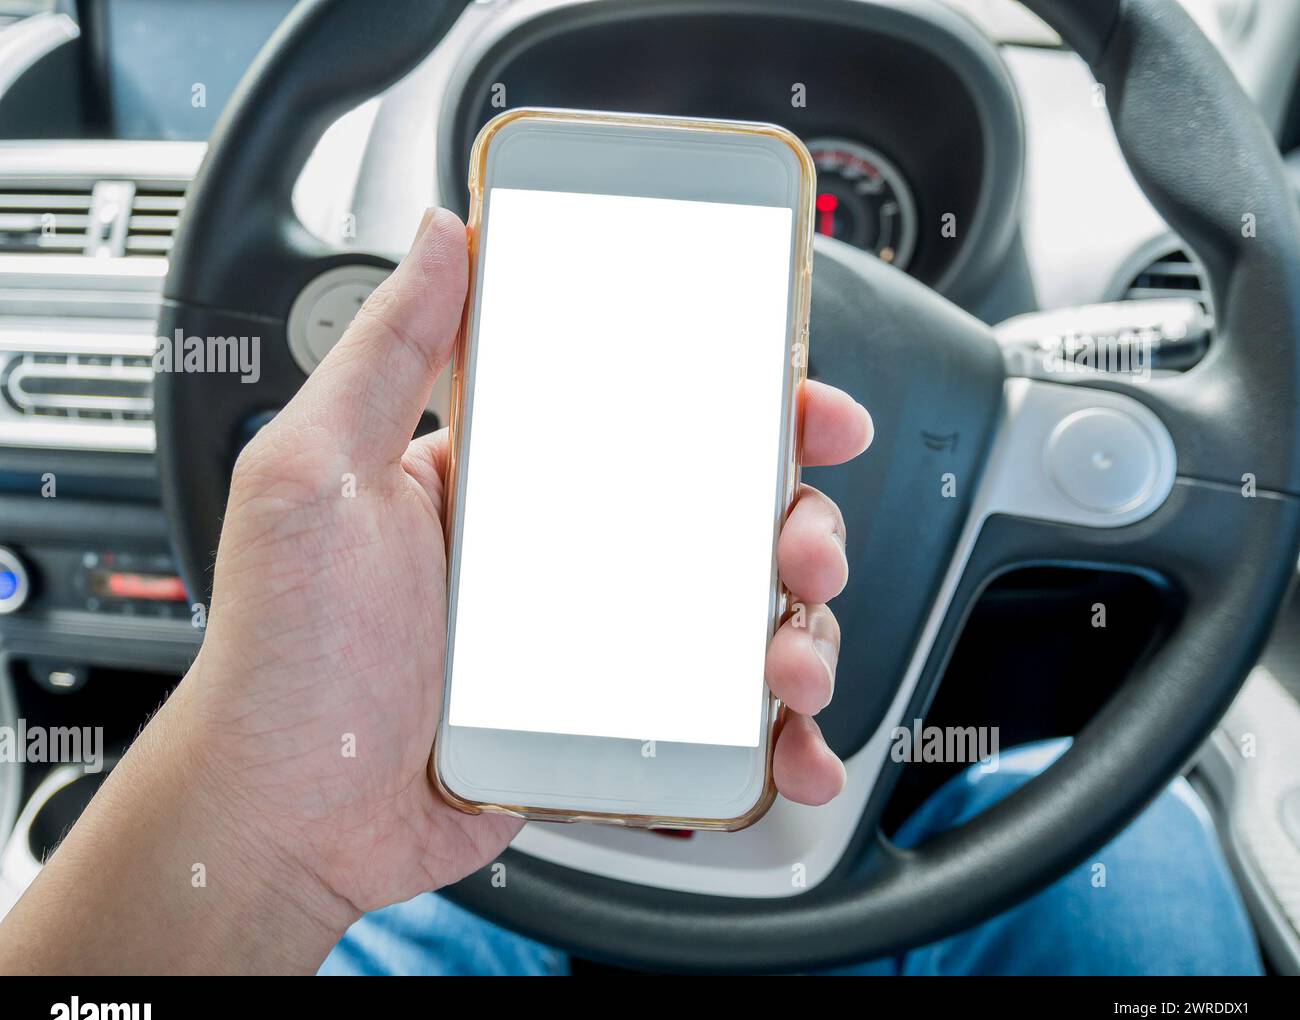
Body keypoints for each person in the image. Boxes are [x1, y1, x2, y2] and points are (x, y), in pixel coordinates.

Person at [0, 210, 1262, 976]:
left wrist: (256, 835)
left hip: (447, 888)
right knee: (1144, 839)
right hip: (449, 839)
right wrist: (268, 824)